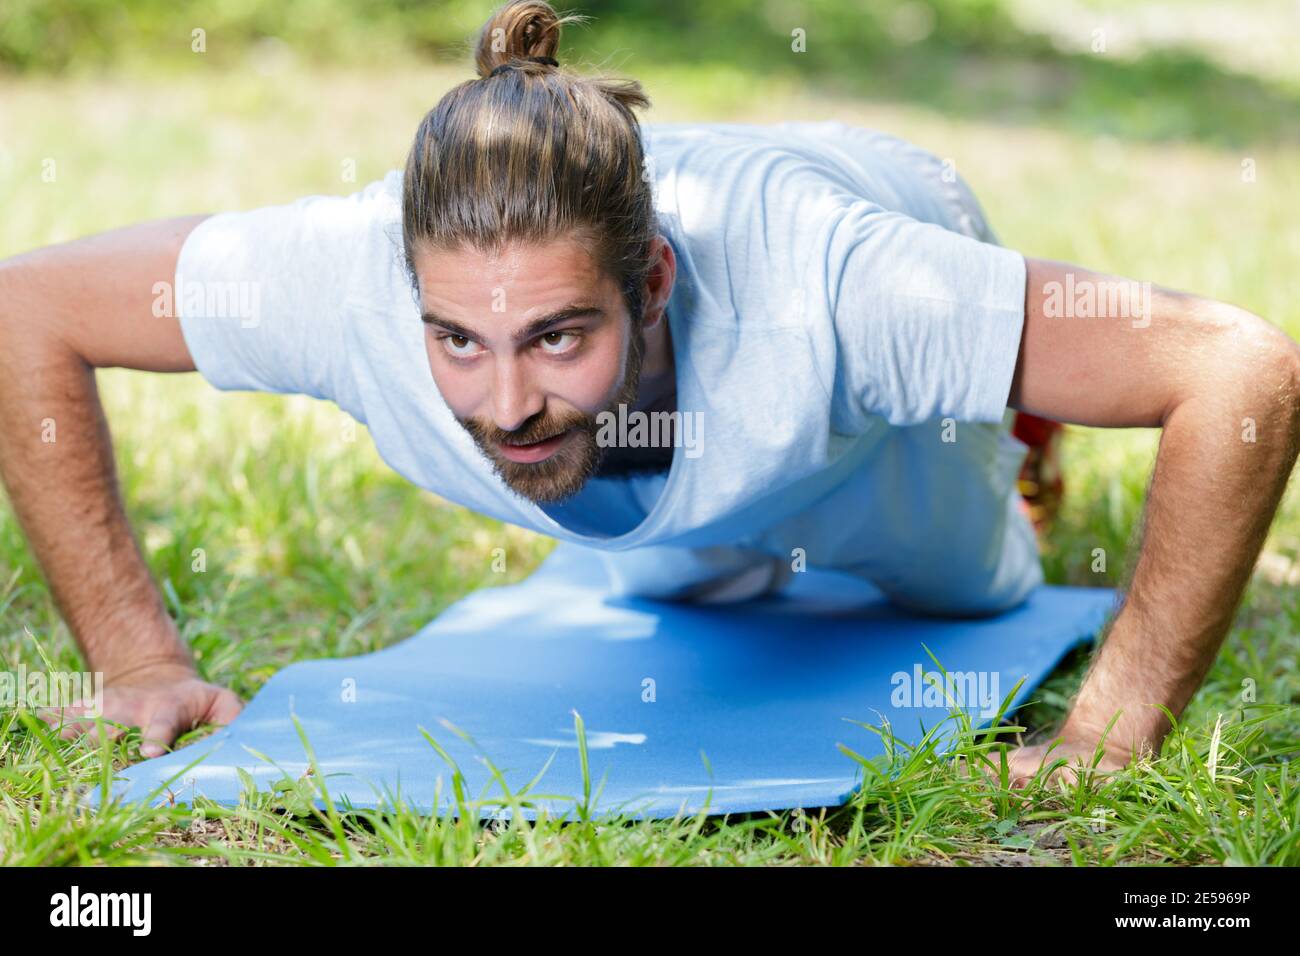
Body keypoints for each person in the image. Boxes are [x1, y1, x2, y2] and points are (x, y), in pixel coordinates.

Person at [1, 1, 1297, 788]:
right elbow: (28, 305)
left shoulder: (839, 293)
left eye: (558, 337)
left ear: (656, 279)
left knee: (973, 577)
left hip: (889, 221)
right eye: (456, 341)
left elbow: (1241, 366)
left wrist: (1113, 727)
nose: (504, 404)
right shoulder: (338, 280)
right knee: (675, 570)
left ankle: (1019, 437)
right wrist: (136, 662)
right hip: (701, 461)